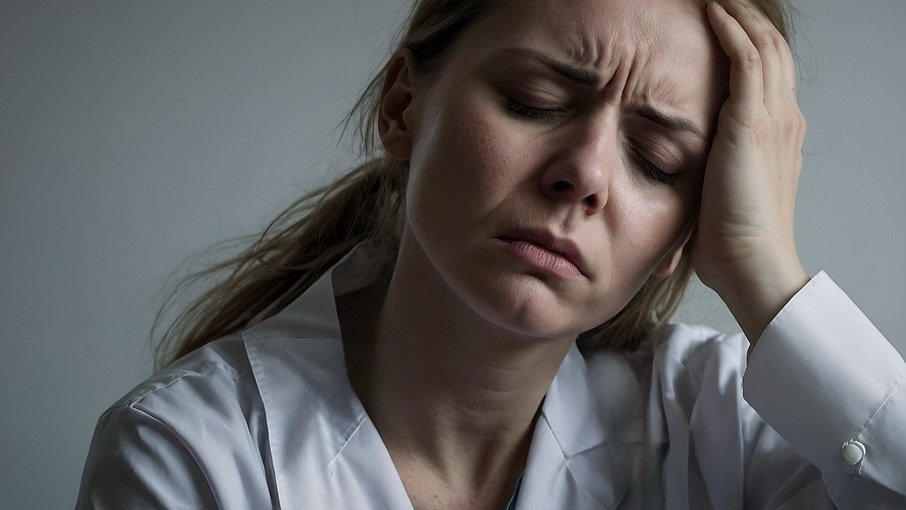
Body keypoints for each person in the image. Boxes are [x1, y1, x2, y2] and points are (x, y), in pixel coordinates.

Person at [76, 0, 906, 508]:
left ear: (684, 233)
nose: (584, 174)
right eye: (534, 101)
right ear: (403, 107)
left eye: (656, 161)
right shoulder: (187, 453)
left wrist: (766, 274)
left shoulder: (722, 422)